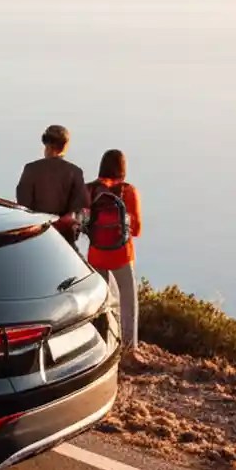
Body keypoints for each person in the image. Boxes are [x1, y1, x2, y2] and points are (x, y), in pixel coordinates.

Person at [86, 149, 142, 348]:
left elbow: (84, 223)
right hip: (121, 255)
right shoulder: (128, 191)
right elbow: (136, 229)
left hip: (96, 254)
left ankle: (101, 344)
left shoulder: (90, 190)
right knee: (128, 302)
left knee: (100, 303)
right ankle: (129, 347)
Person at [15, 125, 90, 245]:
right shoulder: (75, 172)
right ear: (65, 145)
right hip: (63, 239)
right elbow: (81, 208)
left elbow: (23, 206)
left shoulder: (31, 169)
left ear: (46, 144)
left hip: (35, 235)